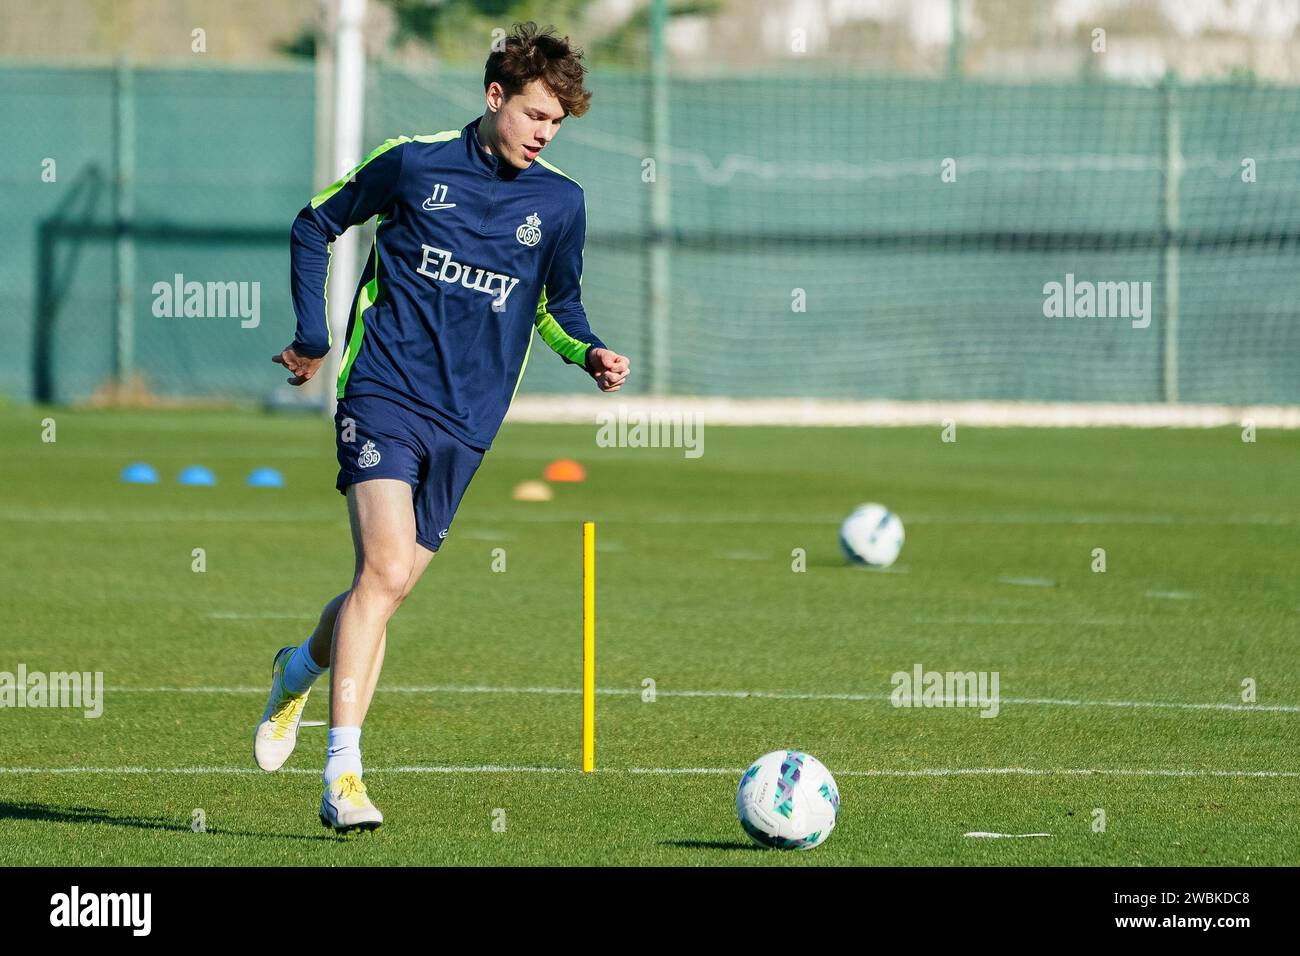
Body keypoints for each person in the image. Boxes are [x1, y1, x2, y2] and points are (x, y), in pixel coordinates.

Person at [253, 21, 629, 833]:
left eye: (557, 123)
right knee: (384, 571)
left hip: (469, 425)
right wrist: (314, 334)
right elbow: (316, 220)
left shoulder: (561, 204)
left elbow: (557, 310)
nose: (544, 132)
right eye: (534, 114)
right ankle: (344, 776)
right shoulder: (414, 161)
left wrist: (589, 351)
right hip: (382, 393)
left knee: (380, 593)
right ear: (495, 97)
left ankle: (295, 670)